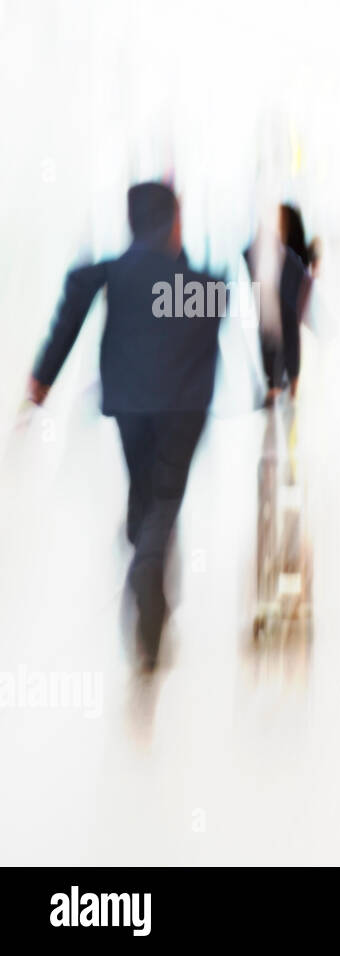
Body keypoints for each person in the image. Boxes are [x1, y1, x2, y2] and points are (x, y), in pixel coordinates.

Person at [25, 182, 223, 674]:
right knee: (165, 501)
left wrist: (40, 383)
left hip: (131, 407)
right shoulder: (198, 286)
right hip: (182, 411)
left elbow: (71, 313)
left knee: (143, 492)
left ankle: (145, 560)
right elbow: (205, 328)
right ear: (172, 221)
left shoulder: (113, 273)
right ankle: (149, 566)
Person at [245, 204, 311, 401]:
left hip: (283, 295)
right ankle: (276, 383)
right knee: (270, 334)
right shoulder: (255, 249)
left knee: (287, 331)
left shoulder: (289, 223)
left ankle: (289, 379)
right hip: (268, 297)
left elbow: (301, 255)